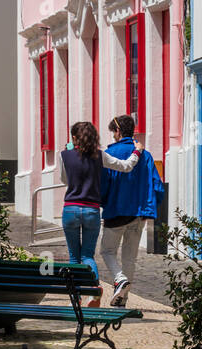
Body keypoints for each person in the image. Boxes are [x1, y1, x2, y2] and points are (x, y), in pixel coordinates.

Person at [60, 120, 142, 307]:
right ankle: (94, 292)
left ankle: (77, 297)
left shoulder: (64, 155)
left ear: (74, 138)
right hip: (91, 210)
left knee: (74, 256)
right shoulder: (100, 155)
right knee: (88, 255)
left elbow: (65, 180)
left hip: (71, 209)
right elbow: (126, 166)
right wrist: (137, 152)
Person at [99, 115, 165, 307]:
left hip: (116, 211)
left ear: (118, 132)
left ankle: (120, 281)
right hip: (138, 213)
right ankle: (123, 299)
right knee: (130, 257)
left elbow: (103, 185)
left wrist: (104, 202)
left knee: (107, 251)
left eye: (113, 132)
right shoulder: (146, 155)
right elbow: (157, 186)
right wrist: (150, 207)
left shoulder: (111, 153)